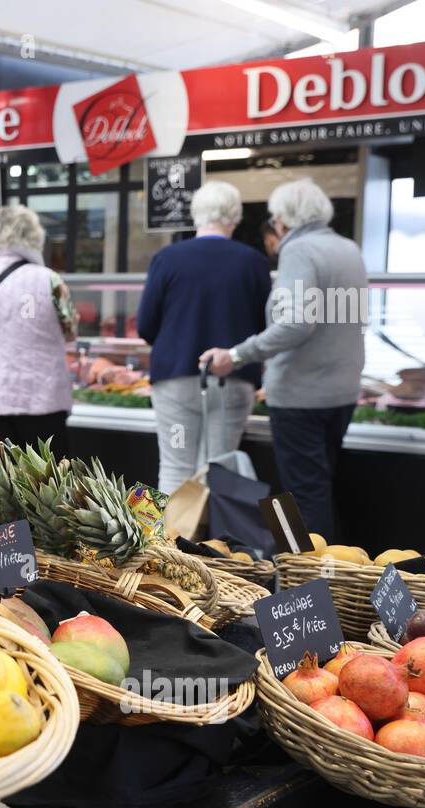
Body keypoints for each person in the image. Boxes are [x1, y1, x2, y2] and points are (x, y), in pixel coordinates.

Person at [199, 178, 367, 541]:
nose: (275, 225)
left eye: (275, 218)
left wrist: (238, 354)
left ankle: (305, 585)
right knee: (320, 486)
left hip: (301, 393)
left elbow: (295, 324)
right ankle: (332, 574)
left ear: (285, 220)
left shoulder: (300, 252)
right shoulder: (348, 248)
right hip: (342, 390)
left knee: (303, 495)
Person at [136, 180, 270, 496]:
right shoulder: (254, 262)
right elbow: (266, 328)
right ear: (235, 218)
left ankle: (168, 544)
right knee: (218, 469)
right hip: (232, 382)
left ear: (196, 215)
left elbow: (145, 326)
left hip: (176, 384)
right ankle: (213, 545)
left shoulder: (168, 258)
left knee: (175, 466)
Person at [0, 205, 77, 455]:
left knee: (2, 474)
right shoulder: (50, 280)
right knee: (47, 477)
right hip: (40, 396)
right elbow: (71, 331)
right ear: (35, 237)